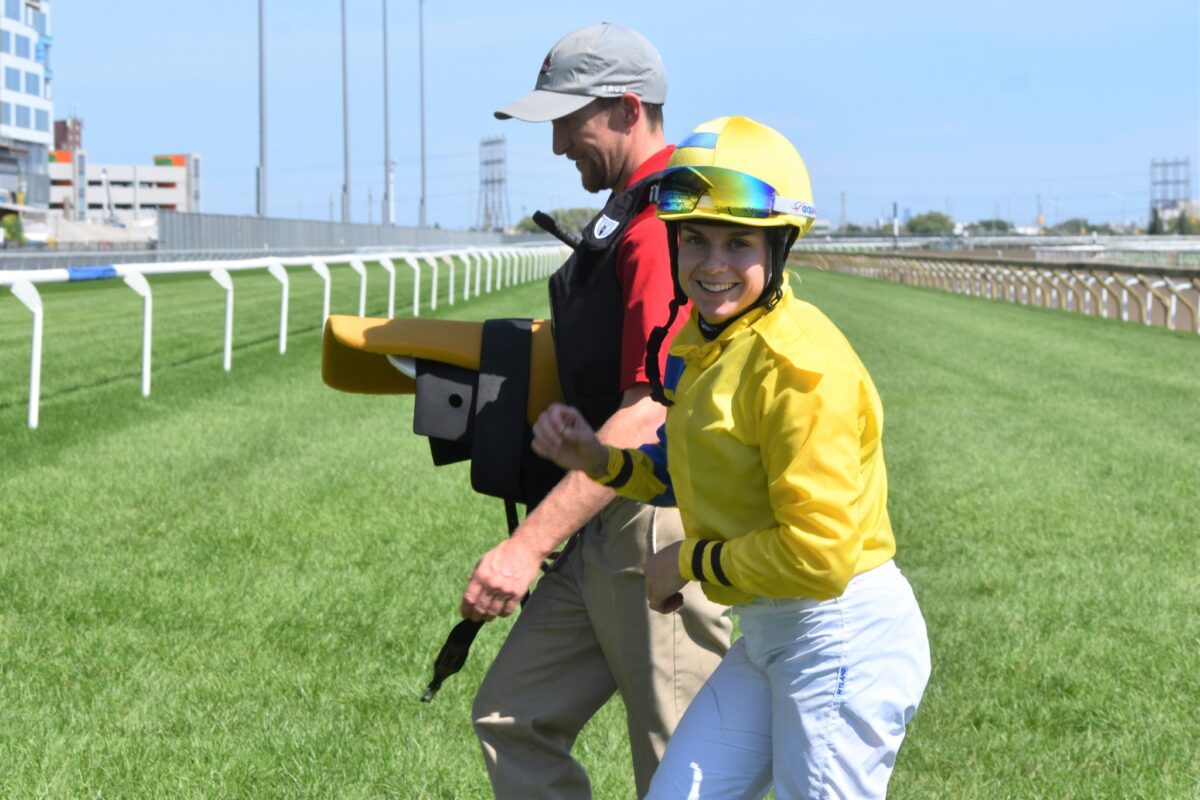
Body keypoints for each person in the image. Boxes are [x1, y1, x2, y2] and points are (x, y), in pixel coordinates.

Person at [531, 116, 932, 799]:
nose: (712, 264)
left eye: (738, 243)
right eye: (695, 240)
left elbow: (821, 554)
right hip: (770, 633)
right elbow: (675, 468)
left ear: (778, 250)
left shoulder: (798, 368)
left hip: (838, 633)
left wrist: (684, 562)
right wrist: (597, 455)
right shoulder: (705, 338)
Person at [463, 22, 732, 799]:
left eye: (565, 122)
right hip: (605, 520)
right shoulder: (629, 208)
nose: (555, 147)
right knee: (513, 715)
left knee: (683, 767)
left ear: (623, 108)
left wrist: (524, 546)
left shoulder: (660, 228)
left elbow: (649, 410)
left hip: (659, 523)